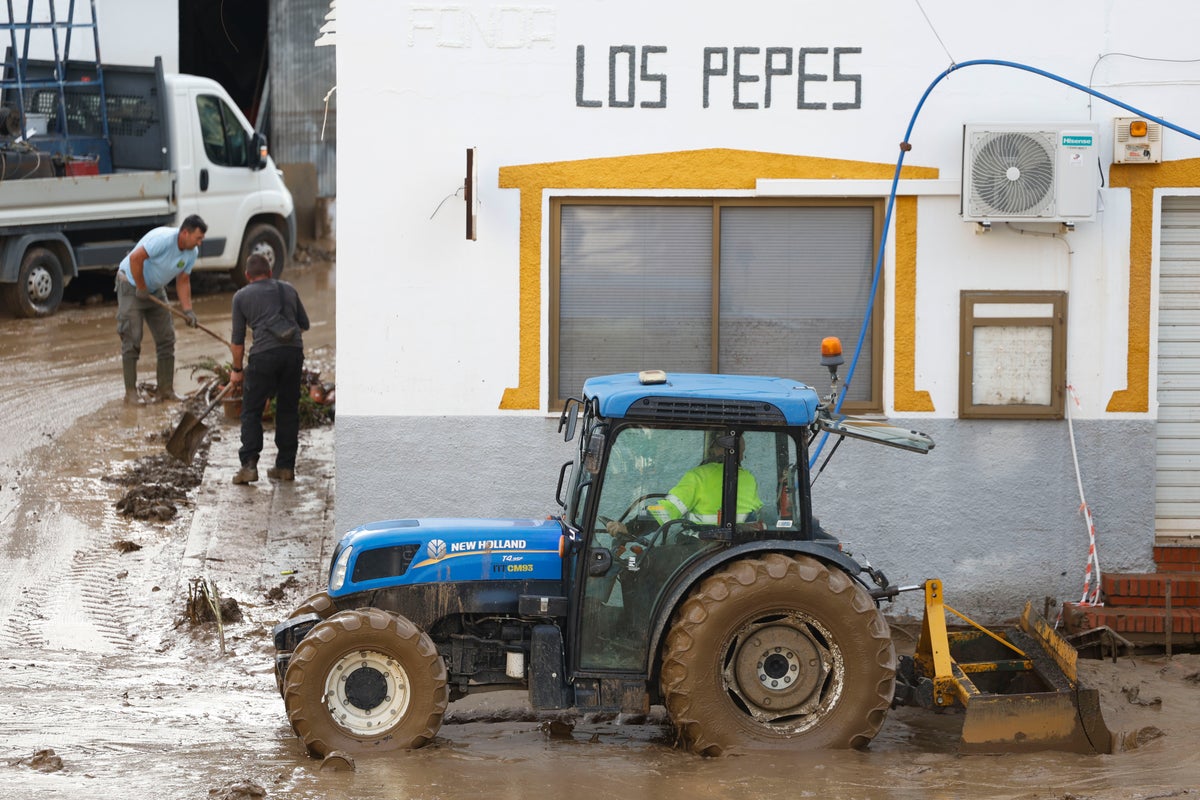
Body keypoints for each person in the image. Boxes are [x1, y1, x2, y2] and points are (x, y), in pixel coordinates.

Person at [228, 254, 310, 485]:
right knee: (288, 410)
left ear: (247, 276)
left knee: (251, 411)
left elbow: (237, 342)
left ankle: (249, 466)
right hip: (294, 353)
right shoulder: (289, 289)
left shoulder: (241, 296)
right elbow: (303, 325)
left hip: (263, 356)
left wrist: (237, 370)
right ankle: (285, 467)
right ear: (270, 273)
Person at [115, 214, 207, 404]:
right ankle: (130, 394)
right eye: (198, 238)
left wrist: (187, 310)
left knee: (166, 338)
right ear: (185, 233)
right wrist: (141, 287)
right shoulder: (163, 240)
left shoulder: (192, 252)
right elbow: (135, 258)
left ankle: (165, 390)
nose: (200, 243)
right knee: (132, 338)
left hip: (155, 289)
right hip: (131, 284)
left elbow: (183, 280)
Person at [605, 433, 763, 538]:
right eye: (742, 452)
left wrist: (630, 527)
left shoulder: (698, 476)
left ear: (715, 449)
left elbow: (668, 510)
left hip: (701, 546)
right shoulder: (749, 479)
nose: (743, 457)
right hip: (735, 545)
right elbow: (756, 515)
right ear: (738, 454)